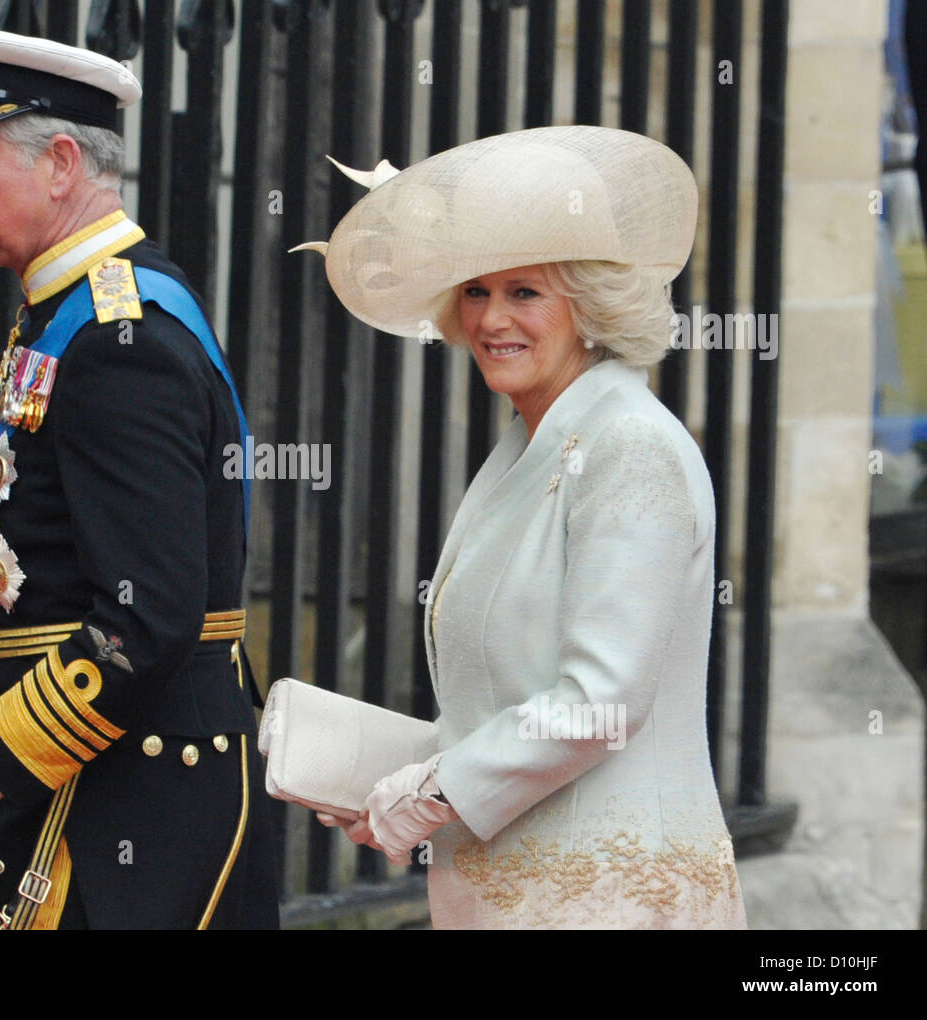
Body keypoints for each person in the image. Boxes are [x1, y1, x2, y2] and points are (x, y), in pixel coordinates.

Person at [306, 126, 748, 929]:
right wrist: (385, 780)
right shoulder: (533, 441)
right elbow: (508, 697)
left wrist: (430, 794)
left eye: (525, 292)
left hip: (611, 900)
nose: (492, 319)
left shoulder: (631, 445)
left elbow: (600, 700)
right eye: (476, 291)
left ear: (588, 303)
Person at [0, 24, 278, 930]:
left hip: (132, 801)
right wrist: (9, 584)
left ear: (61, 161)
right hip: (112, 776)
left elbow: (151, 613)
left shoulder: (118, 337)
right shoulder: (83, 306)